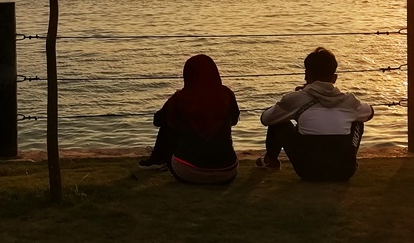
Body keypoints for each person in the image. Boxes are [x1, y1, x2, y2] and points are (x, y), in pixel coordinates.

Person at [256, 47, 373, 181]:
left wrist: (289, 105)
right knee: (357, 120)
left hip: (308, 172)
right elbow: (369, 113)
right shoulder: (349, 101)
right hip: (344, 172)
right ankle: (349, 159)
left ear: (306, 75)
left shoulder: (296, 98)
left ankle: (270, 161)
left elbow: (266, 119)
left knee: (279, 122)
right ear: (334, 78)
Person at [138, 54, 240, 184]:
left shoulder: (180, 99)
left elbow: (157, 121)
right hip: (228, 172)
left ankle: (158, 160)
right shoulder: (227, 95)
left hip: (188, 172)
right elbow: (234, 120)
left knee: (168, 121)